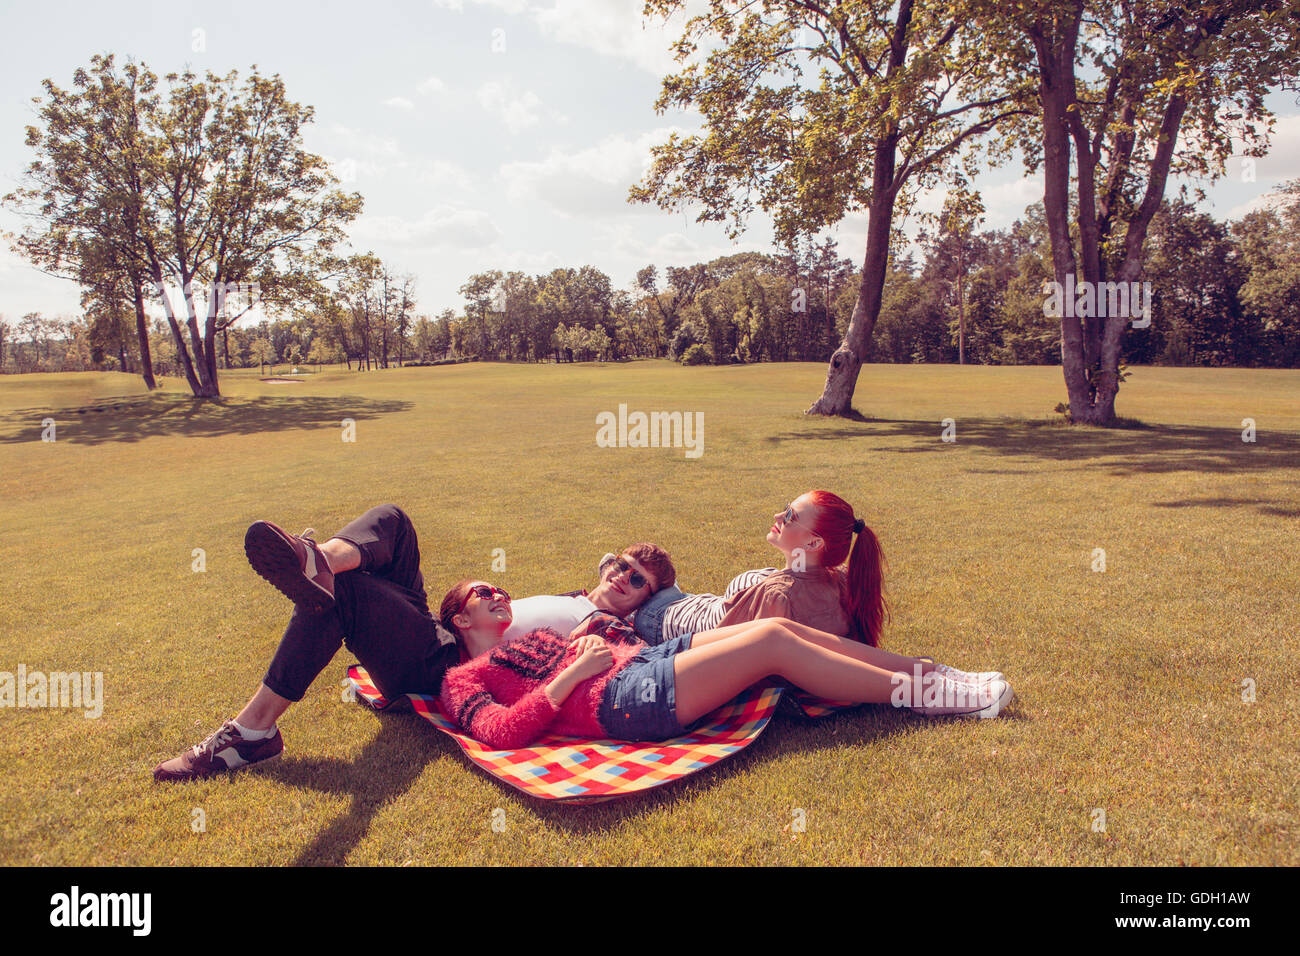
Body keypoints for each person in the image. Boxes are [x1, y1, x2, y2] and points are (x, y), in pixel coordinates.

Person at [152, 503, 675, 781]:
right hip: (442, 627)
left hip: (445, 663)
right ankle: (320, 561)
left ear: (646, 601)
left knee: (345, 596)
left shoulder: (612, 628)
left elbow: (599, 661)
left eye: (637, 582)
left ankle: (252, 731)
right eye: (619, 565)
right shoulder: (573, 596)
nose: (621, 578)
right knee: (394, 522)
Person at [438, 580, 1015, 750]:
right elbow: (498, 733)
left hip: (643, 663)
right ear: (460, 621)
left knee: (779, 628)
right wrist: (569, 677)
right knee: (773, 649)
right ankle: (921, 695)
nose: (496, 593)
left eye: (498, 587)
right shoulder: (461, 679)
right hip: (620, 702)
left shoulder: (533, 633)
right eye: (480, 593)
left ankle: (927, 672)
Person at [632, 490, 891, 648]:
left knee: (639, 576)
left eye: (790, 516)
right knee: (662, 582)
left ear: (813, 542)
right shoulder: (841, 581)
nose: (778, 516)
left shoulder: (777, 596)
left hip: (660, 620)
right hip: (697, 604)